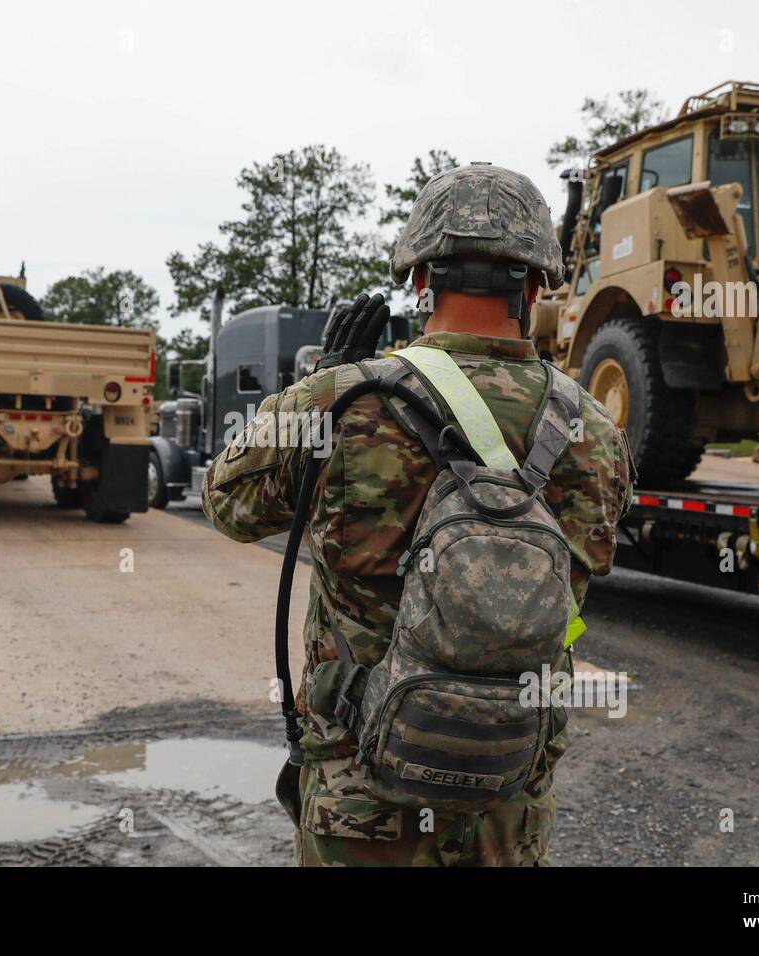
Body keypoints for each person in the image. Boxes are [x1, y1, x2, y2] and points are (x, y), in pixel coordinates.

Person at [202, 162, 635, 866]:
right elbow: (577, 597)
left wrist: (319, 384)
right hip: (507, 805)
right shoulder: (595, 432)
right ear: (535, 284)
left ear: (418, 277)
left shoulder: (342, 401)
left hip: (362, 797)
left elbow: (229, 505)